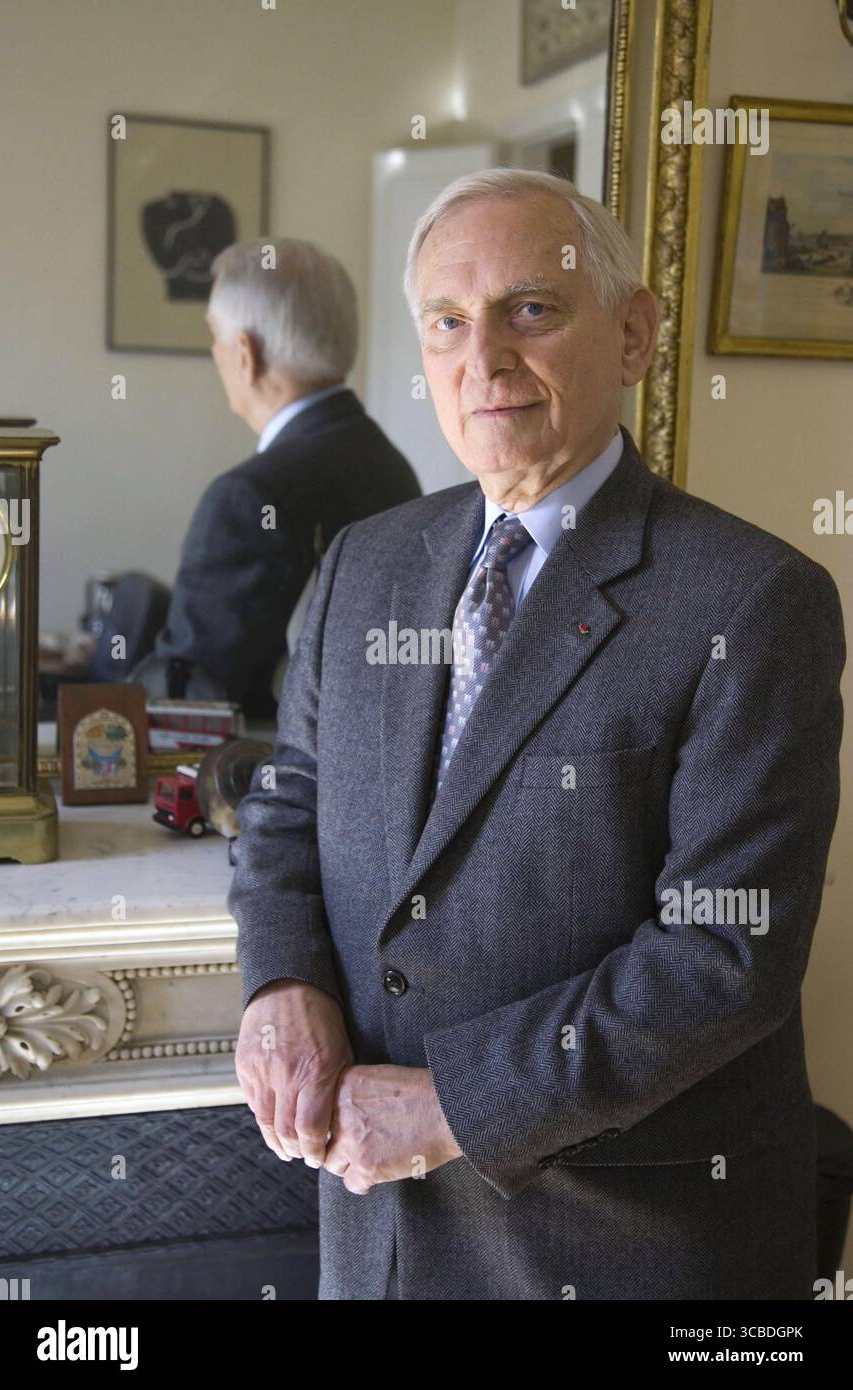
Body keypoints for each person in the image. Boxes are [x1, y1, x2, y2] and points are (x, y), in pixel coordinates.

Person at [228, 169, 844, 1300]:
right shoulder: (364, 564)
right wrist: (281, 981)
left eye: (530, 309)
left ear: (634, 334)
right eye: (448, 322)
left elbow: (723, 957)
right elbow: (289, 799)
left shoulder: (754, 601)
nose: (486, 359)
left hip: (618, 1244)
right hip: (376, 1236)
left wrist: (452, 1107)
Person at [134, 238, 420, 716]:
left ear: (244, 353)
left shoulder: (247, 497)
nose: (215, 352)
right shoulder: (387, 462)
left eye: (215, 335)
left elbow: (188, 698)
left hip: (266, 758)